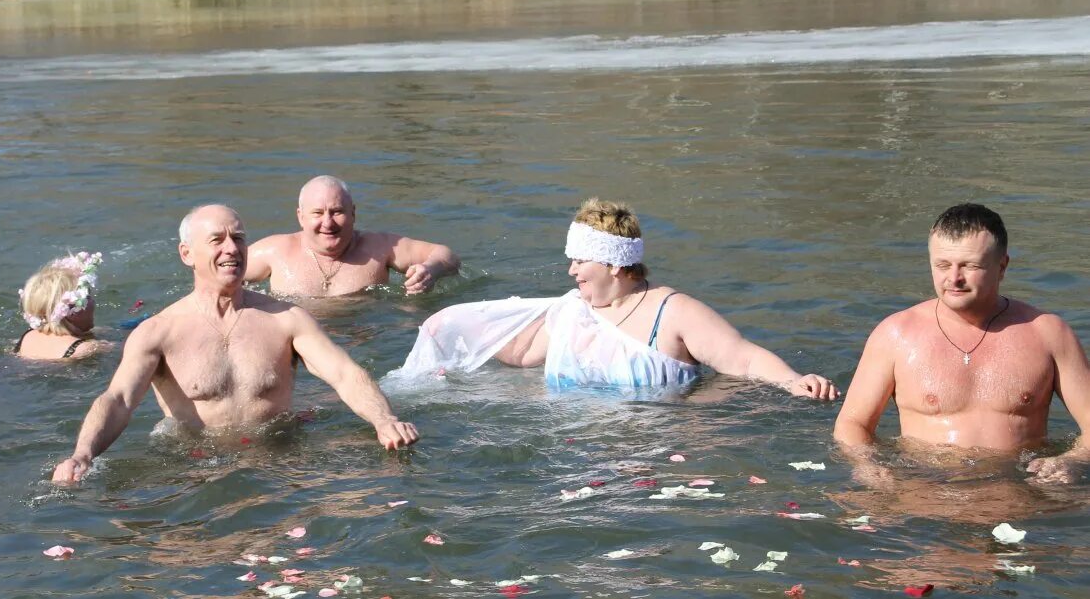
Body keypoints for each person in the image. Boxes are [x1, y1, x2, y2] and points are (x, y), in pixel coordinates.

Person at [52, 204, 419, 483]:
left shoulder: (286, 319)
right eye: (217, 240)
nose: (232, 248)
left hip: (279, 463)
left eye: (239, 238)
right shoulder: (158, 332)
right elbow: (118, 399)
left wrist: (384, 420)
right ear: (186, 255)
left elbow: (344, 373)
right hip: (194, 469)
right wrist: (83, 455)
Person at [393, 198, 838, 397]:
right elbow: (524, 352)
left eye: (579, 261)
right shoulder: (570, 312)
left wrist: (792, 381)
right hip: (574, 449)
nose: (570, 271)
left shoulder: (674, 310)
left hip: (658, 447)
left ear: (613, 264)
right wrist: (448, 330)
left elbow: (741, 359)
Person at [834, 203, 1090, 484]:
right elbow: (852, 424)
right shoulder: (895, 334)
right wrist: (867, 465)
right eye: (942, 265)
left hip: (1018, 495)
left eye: (970, 266)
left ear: (1002, 266)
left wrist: (1072, 460)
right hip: (923, 496)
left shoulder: (1048, 333)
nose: (953, 278)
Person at [244, 175, 460, 297]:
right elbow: (214, 274)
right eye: (317, 213)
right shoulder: (274, 252)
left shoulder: (380, 247)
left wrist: (431, 270)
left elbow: (446, 255)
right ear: (301, 217)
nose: (327, 223)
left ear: (353, 213)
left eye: (337, 212)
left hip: (366, 338)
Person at [14, 252, 104, 360]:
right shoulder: (85, 348)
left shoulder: (27, 337)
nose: (93, 302)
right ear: (73, 311)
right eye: (88, 297)